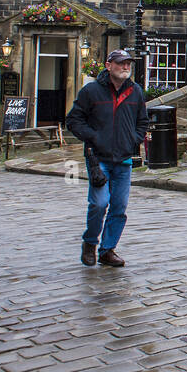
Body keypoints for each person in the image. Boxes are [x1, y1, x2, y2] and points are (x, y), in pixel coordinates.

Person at [66, 48, 149, 267]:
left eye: (128, 63)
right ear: (108, 65)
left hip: (124, 159)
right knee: (99, 204)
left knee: (119, 208)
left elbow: (143, 121)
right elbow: (73, 120)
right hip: (98, 158)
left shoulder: (135, 91)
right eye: (121, 63)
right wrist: (93, 136)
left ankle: (107, 250)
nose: (125, 67)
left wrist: (134, 139)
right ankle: (90, 242)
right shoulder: (91, 91)